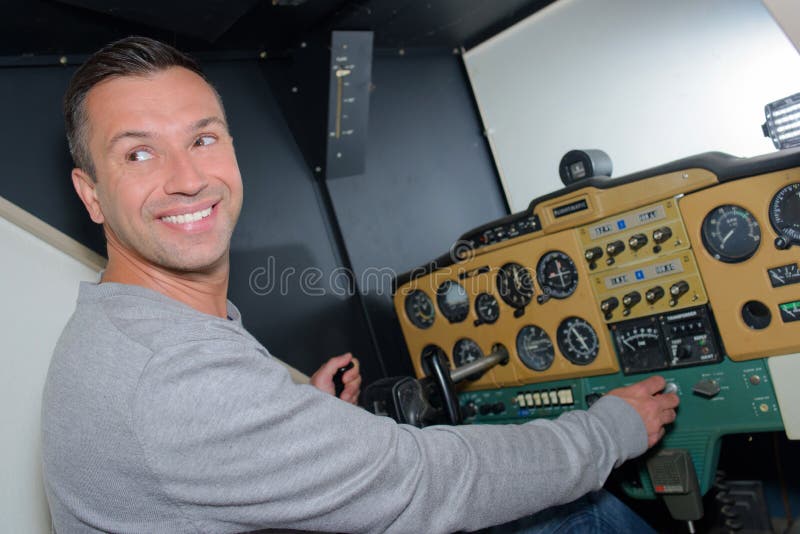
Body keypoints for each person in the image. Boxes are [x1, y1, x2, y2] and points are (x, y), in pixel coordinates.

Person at [41, 36, 679, 533]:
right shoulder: (175, 380)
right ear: (90, 193)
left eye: (202, 138)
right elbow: (426, 482)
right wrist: (609, 432)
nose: (187, 178)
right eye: (139, 154)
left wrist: (304, 429)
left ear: (232, 149)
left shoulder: (125, 327)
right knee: (580, 516)